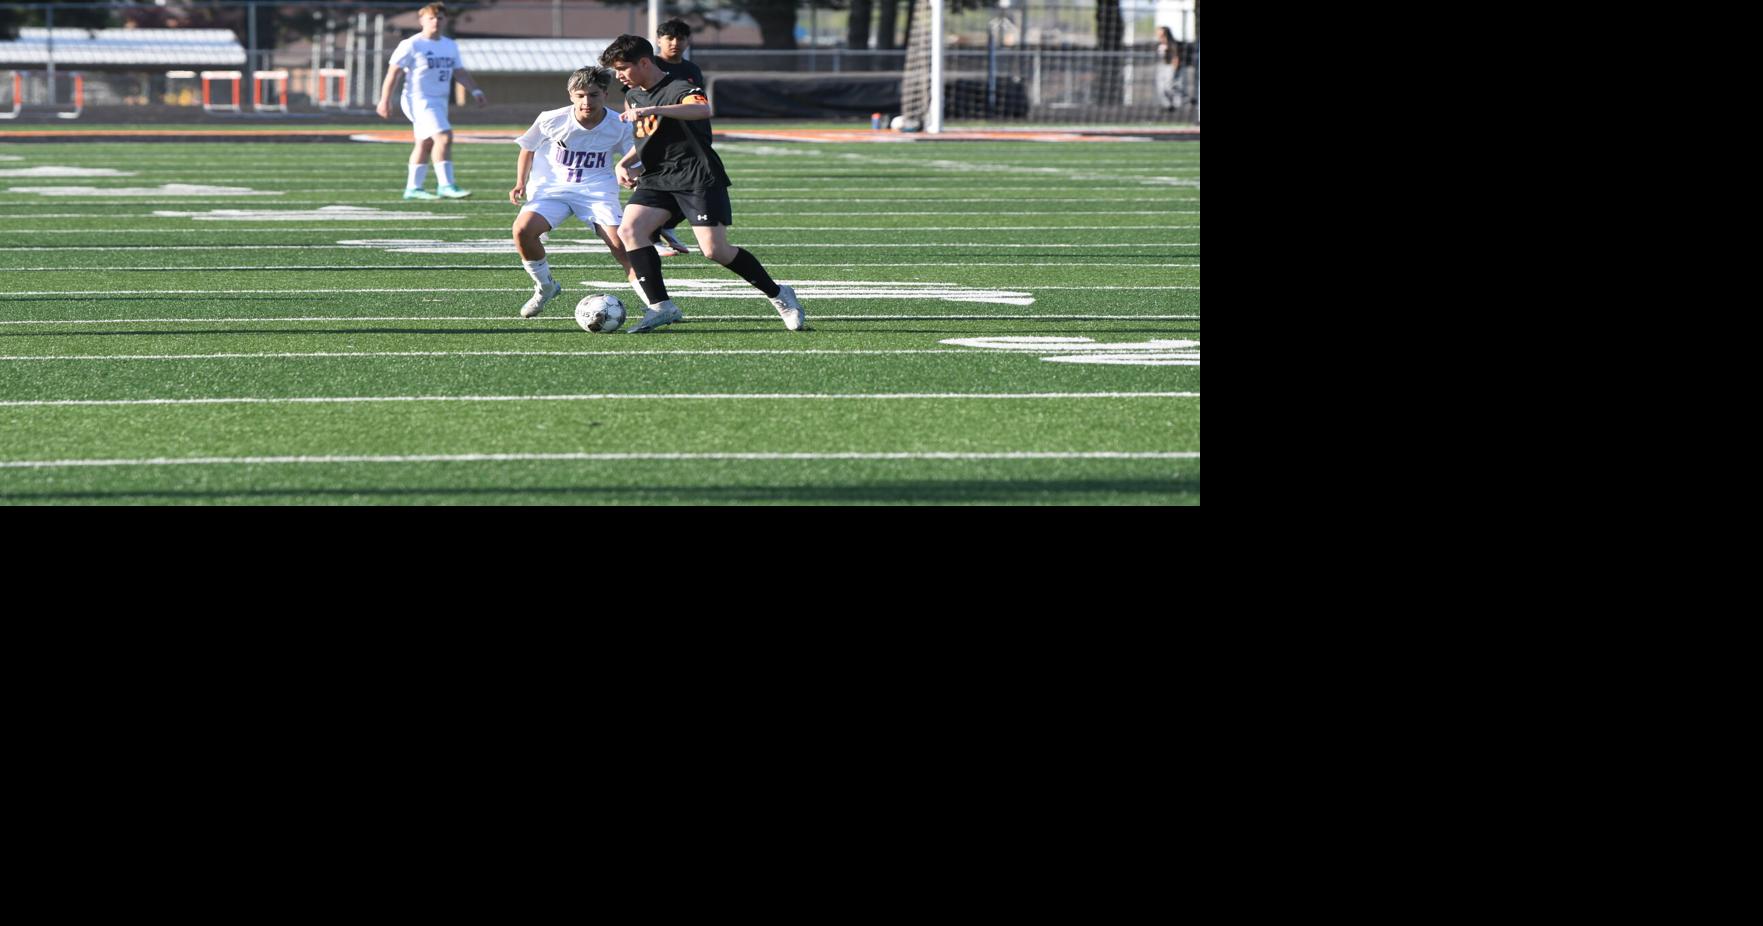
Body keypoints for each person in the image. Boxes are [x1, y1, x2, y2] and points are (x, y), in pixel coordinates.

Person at [600, 34, 806, 333]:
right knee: (630, 230)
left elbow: (701, 109)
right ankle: (661, 306)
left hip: (696, 175)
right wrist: (624, 162)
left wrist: (653, 109)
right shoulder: (633, 94)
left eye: (622, 68)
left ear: (644, 62)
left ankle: (779, 294)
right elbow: (648, 135)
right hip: (658, 176)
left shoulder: (678, 86)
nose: (618, 75)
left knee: (715, 250)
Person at [509, 66, 638, 318]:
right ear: (570, 95)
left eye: (593, 95)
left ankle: (655, 304)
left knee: (621, 246)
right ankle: (545, 287)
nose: (586, 101)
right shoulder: (551, 118)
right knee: (522, 230)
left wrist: (632, 173)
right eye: (580, 95)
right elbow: (528, 147)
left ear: (604, 94)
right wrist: (520, 182)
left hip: (596, 191)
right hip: (552, 190)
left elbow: (634, 157)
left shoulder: (618, 124)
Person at [375, 3, 487, 200]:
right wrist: (384, 100)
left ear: (445, 20)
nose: (435, 21)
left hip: (439, 100)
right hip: (418, 100)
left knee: (425, 143)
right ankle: (446, 184)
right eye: (431, 18)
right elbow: (393, 73)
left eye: (439, 18)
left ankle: (413, 188)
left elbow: (459, 71)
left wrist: (475, 90)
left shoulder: (449, 45)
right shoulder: (412, 44)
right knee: (444, 137)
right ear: (421, 20)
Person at [647, 18, 701, 257]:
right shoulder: (651, 65)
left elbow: (697, 104)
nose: (675, 43)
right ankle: (650, 237)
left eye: (680, 38)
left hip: (686, 140)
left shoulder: (691, 70)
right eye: (670, 38)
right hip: (654, 137)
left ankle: (666, 226)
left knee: (694, 186)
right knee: (654, 186)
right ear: (659, 40)